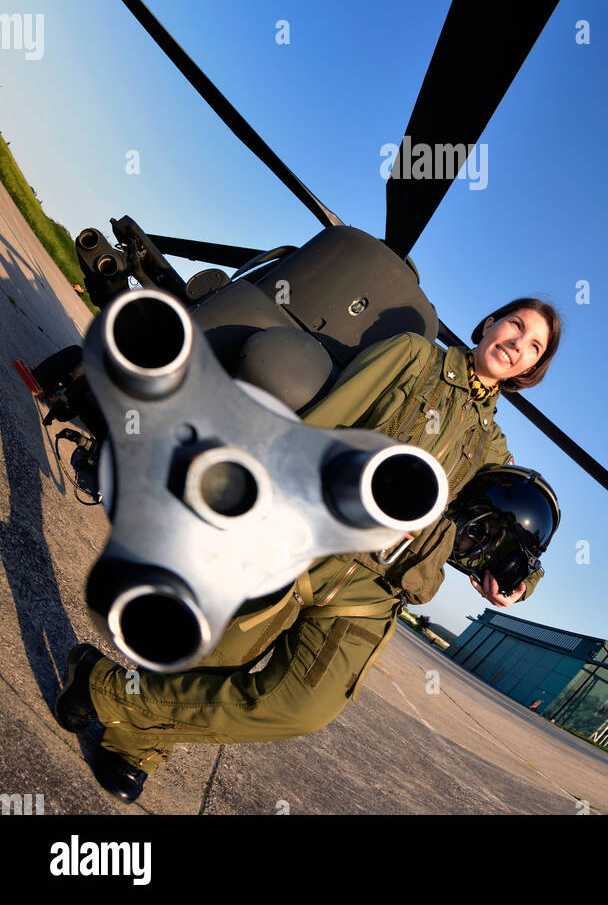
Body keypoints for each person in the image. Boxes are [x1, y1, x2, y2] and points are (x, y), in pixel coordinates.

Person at [54, 297, 562, 802]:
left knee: (300, 706)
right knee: (215, 655)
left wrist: (520, 582)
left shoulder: (489, 444)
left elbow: (514, 521)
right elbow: (330, 417)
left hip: (376, 587)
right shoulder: (414, 357)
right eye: (514, 326)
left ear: (532, 369)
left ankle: (103, 689)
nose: (517, 344)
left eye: (534, 346)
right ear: (489, 323)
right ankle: (133, 745)